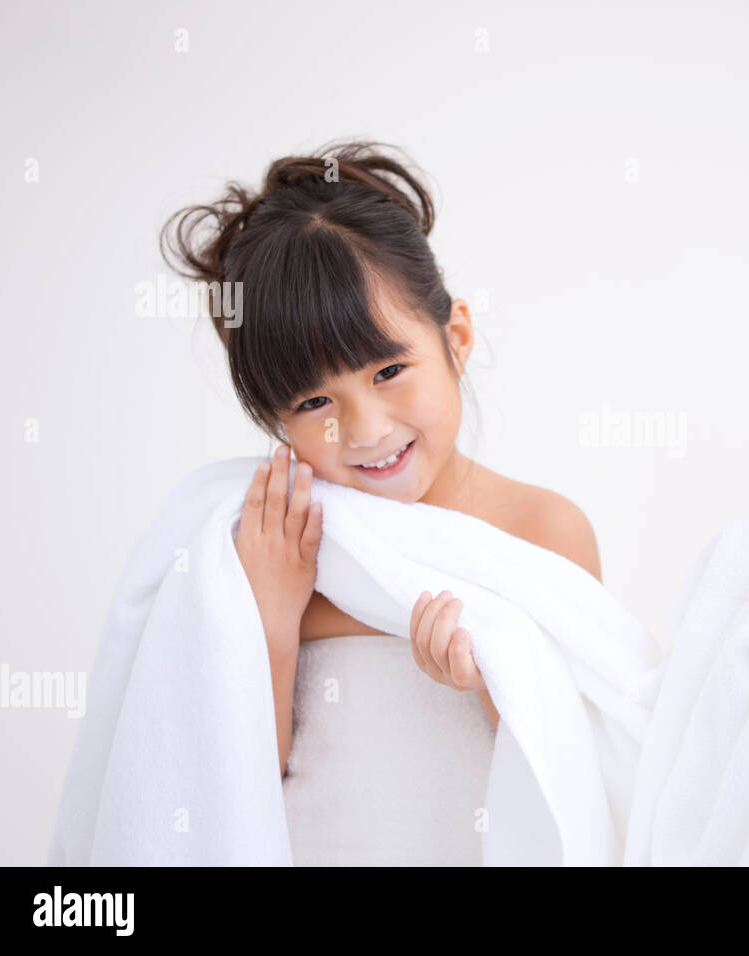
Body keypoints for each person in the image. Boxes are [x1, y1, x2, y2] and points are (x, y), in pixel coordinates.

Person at [161, 140, 601, 865]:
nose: (365, 430)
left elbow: (578, 785)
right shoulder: (277, 546)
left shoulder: (542, 530)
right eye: (314, 401)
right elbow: (231, 791)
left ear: (456, 339)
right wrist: (272, 618)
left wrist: (491, 674)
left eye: (390, 369)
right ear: (276, 421)